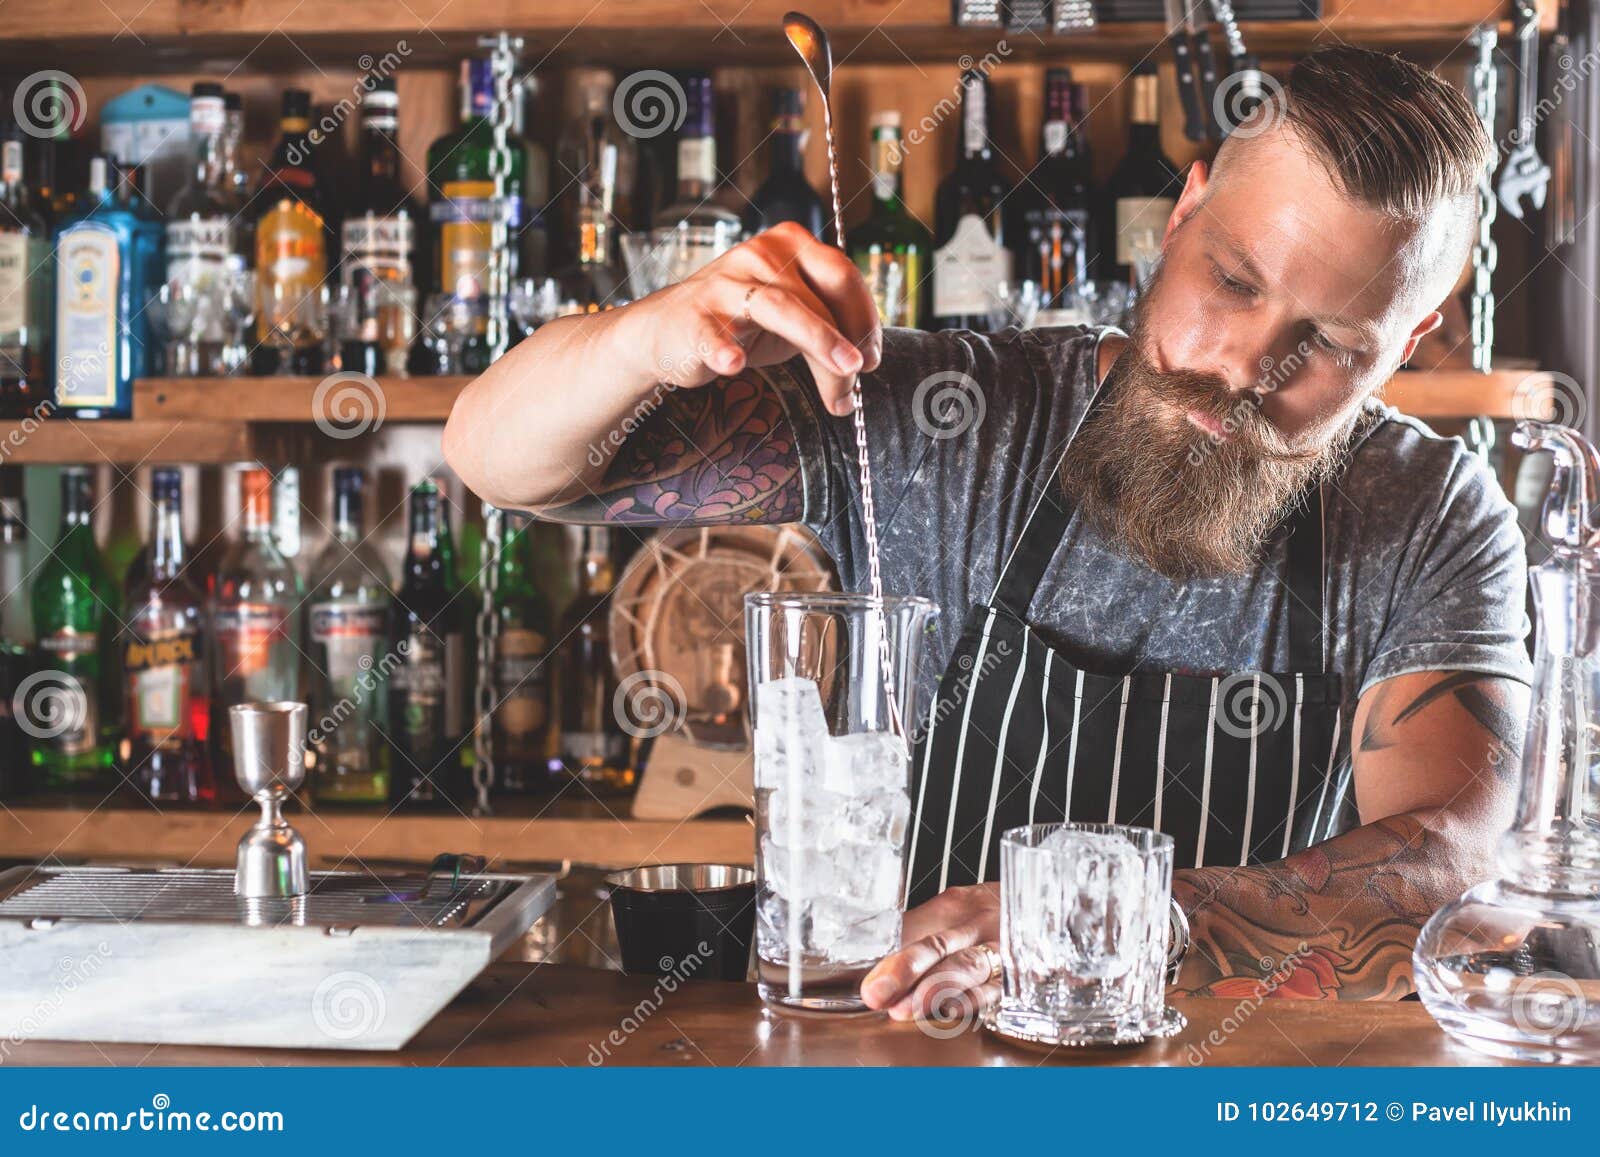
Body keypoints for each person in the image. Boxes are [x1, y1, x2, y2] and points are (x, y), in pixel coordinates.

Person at [443, 47, 1530, 1008]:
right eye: (1231, 280)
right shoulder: (948, 415)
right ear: (1185, 210)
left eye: (1333, 343)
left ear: (1409, 338)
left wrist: (1114, 915)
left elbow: (1451, 863)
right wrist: (646, 338)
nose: (1247, 365)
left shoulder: (1431, 512)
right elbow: (499, 458)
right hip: (912, 1075)